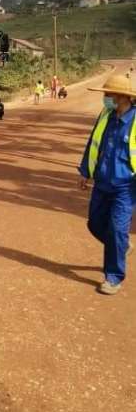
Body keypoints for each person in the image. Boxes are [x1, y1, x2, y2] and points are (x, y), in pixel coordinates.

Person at [78, 74, 136, 295]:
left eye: (109, 94)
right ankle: (121, 247)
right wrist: (85, 171)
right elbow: (92, 143)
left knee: (117, 229)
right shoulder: (106, 115)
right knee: (94, 224)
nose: (106, 98)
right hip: (102, 182)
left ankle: (113, 277)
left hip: (126, 186)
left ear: (122, 97)